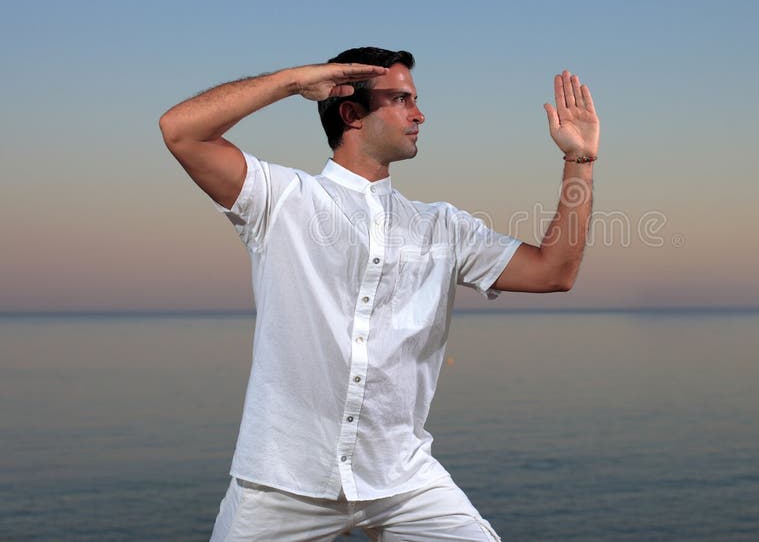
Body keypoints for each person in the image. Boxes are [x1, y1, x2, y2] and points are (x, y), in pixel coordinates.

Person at [159, 47, 600, 541]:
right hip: (283, 482)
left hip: (403, 482)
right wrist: (293, 82)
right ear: (351, 113)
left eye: (416, 99)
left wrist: (578, 158)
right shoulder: (281, 199)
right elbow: (181, 129)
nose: (420, 113)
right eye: (401, 100)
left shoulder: (442, 227)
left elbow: (554, 271)